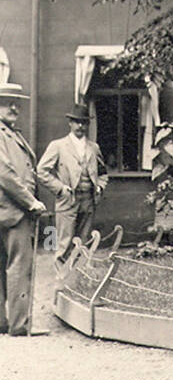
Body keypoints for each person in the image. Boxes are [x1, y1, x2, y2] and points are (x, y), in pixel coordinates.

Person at [0, 81, 47, 336]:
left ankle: (3, 322)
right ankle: (19, 325)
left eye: (17, 103)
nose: (14, 107)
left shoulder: (12, 133)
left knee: (3, 266)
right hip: (15, 211)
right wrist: (31, 201)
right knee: (19, 266)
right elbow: (5, 174)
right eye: (8, 102)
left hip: (7, 210)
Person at [37, 104, 108, 265]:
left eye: (83, 122)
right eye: (76, 122)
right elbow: (41, 171)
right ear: (70, 123)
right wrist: (60, 188)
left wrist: (99, 186)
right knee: (65, 242)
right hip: (68, 200)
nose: (80, 126)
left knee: (82, 241)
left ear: (88, 124)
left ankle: (78, 275)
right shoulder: (58, 146)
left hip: (88, 201)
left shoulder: (94, 148)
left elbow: (103, 174)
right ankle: (61, 278)